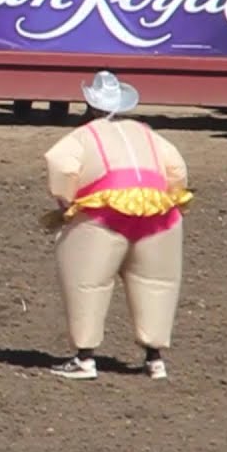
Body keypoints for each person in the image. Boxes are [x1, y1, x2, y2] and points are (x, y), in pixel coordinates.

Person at [42, 71, 190, 381]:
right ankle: (154, 358)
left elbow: (61, 164)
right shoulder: (148, 133)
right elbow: (176, 168)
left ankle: (84, 357)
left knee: (87, 281)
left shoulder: (84, 135)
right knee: (156, 282)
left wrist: (67, 202)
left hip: (104, 212)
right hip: (157, 211)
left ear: (91, 104)